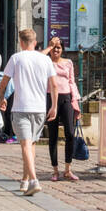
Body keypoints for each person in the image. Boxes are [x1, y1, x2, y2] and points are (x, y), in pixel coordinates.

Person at [0, 28, 58, 196]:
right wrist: (54, 105)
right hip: (39, 108)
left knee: (25, 145)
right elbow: (54, 85)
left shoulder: (16, 58)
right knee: (30, 145)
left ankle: (33, 180)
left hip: (21, 107)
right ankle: (24, 181)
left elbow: (4, 82)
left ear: (21, 42)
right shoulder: (45, 60)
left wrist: (1, 97)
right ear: (35, 41)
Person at [45, 38, 81, 182]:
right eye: (53, 48)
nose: (56, 50)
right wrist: (49, 47)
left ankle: (68, 169)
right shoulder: (46, 63)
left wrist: (75, 102)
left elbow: (72, 82)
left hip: (66, 98)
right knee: (53, 135)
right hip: (50, 98)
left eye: (58, 48)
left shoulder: (68, 63)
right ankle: (55, 170)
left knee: (70, 133)